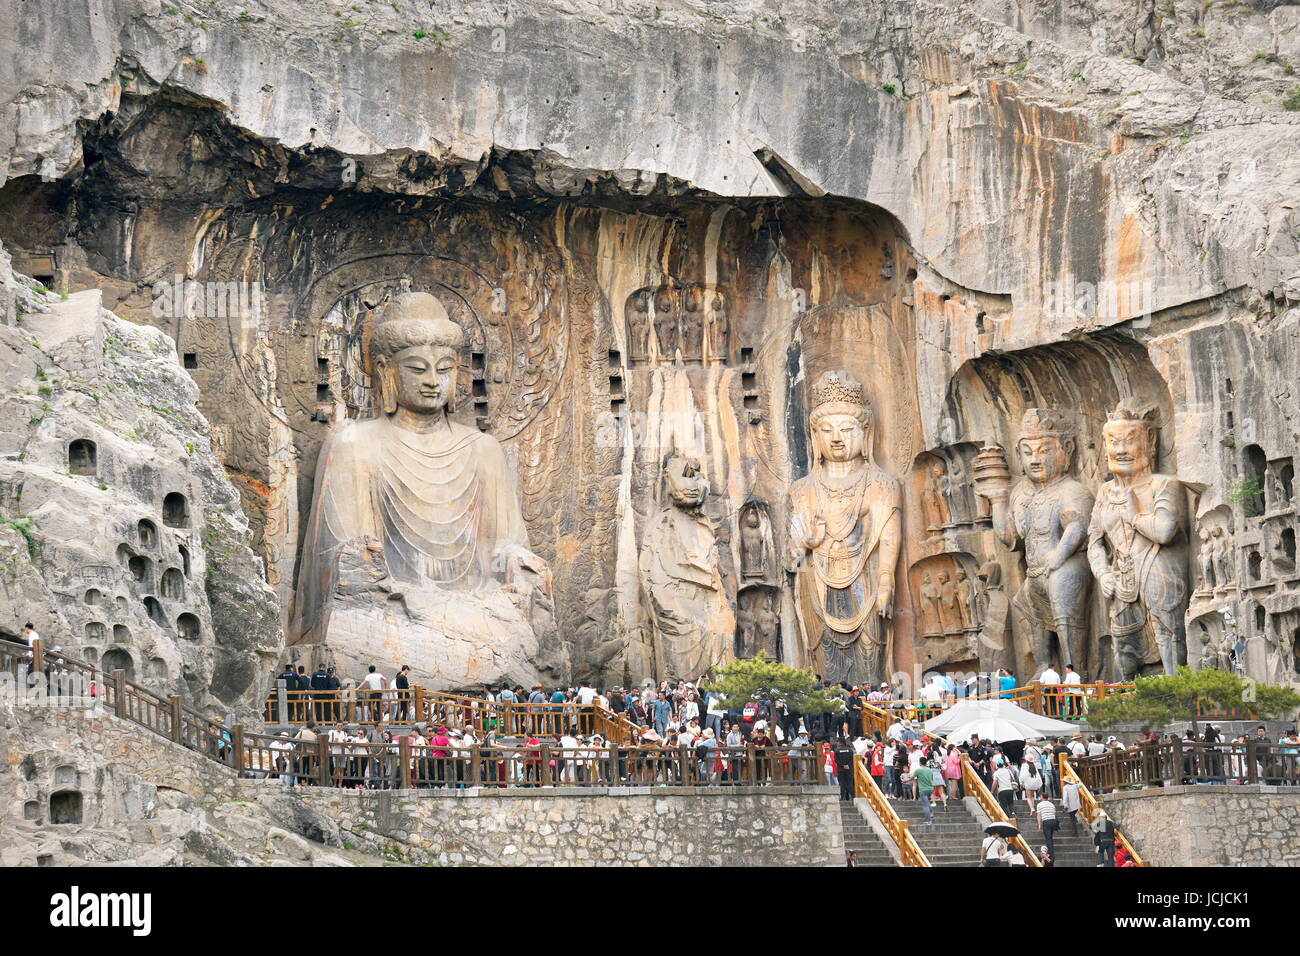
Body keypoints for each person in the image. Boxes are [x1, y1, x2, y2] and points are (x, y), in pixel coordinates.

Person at [907, 755, 936, 824]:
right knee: (928, 802)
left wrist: (905, 780)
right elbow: (932, 778)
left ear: (920, 763)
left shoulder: (918, 770)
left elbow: (912, 778)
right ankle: (931, 813)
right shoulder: (930, 770)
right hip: (930, 788)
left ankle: (928, 820)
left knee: (925, 805)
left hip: (923, 789)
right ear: (926, 763)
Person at [1034, 795, 1059, 860]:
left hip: (1046, 821)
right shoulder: (1051, 804)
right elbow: (1054, 814)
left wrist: (1039, 825)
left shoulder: (1039, 805)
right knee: (1050, 837)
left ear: (1042, 797)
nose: (1039, 797)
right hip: (1053, 821)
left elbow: (1039, 815)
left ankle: (1050, 855)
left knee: (1048, 838)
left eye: (1040, 796)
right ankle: (1051, 851)